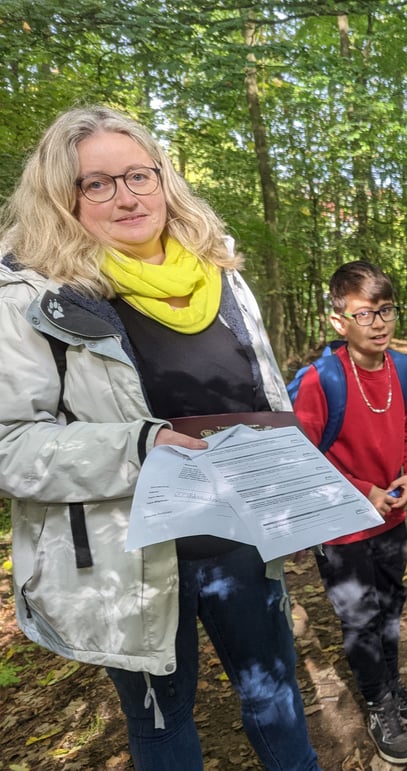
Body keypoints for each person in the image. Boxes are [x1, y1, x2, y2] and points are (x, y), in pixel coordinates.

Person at [0, 106, 320, 770]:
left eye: (139, 175)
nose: (127, 195)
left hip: (240, 540)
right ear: (62, 196)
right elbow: (11, 445)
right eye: (98, 183)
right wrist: (138, 446)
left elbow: (262, 391)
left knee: (274, 692)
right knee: (160, 720)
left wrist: (293, 473)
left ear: (163, 179)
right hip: (128, 559)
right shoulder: (32, 297)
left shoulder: (220, 272)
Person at [290, 260, 407, 766]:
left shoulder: (404, 368)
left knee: (391, 602)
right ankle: (376, 703)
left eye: (386, 310)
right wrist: (360, 490)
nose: (379, 323)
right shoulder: (318, 380)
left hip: (392, 515)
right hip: (341, 522)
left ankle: (391, 687)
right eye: (365, 314)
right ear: (339, 322)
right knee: (360, 614)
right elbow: (301, 454)